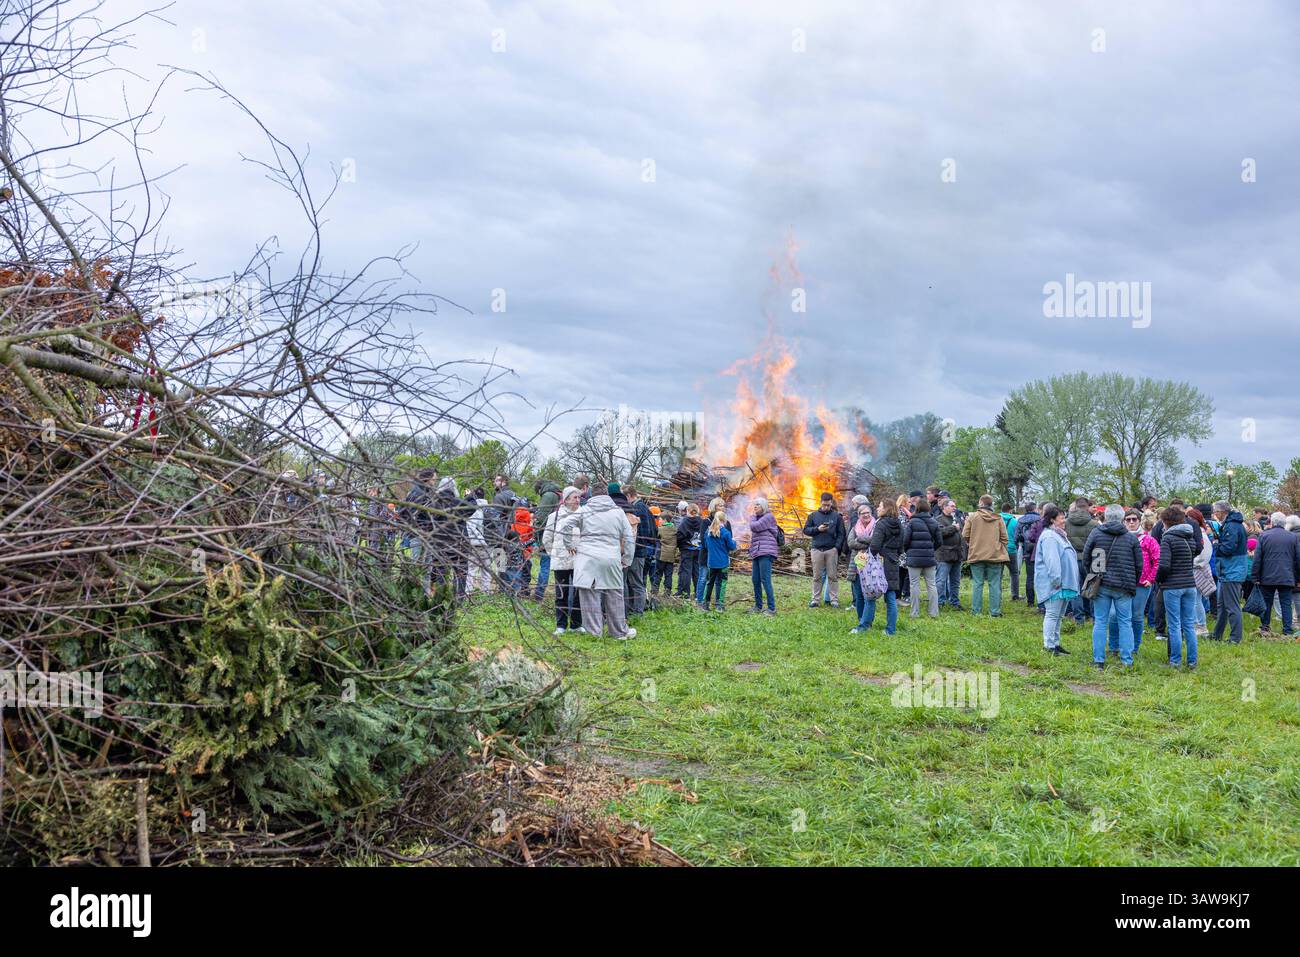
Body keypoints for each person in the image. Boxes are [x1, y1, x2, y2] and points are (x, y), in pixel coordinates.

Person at [566, 488, 637, 640]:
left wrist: (569, 545)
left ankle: (594, 633)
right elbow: (629, 537)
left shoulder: (584, 510)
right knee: (614, 595)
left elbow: (566, 525)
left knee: (589, 595)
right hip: (611, 557)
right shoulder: (618, 512)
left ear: (591, 496)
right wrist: (627, 559)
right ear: (607, 495)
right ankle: (619, 632)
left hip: (587, 558)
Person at [1081, 504, 1142, 669]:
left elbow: (1086, 558)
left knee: (1100, 621)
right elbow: (1139, 565)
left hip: (1101, 583)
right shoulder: (1131, 538)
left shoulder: (1096, 533)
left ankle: (1099, 660)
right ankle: (1127, 660)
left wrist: (1093, 575)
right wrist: (1132, 580)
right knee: (1125, 622)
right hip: (1124, 584)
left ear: (1105, 517)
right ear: (1123, 519)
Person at [1157, 504, 1199, 669]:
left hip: (1173, 586)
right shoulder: (1190, 537)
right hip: (1190, 584)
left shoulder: (1168, 538)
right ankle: (1192, 661)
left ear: (1166, 522)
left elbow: (1164, 565)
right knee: (1188, 624)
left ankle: (1175, 661)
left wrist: (1158, 580)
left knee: (1174, 624)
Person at [1034, 505, 1079, 655]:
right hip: (1055, 585)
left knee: (1059, 616)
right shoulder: (1049, 537)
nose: (1064, 520)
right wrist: (1056, 581)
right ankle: (1048, 646)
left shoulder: (1058, 535)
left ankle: (1056, 644)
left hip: (1062, 584)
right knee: (1052, 615)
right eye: (1061, 517)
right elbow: (1052, 562)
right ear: (1052, 519)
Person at [855, 497, 902, 635]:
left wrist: (867, 556)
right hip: (892, 562)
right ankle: (890, 630)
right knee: (891, 597)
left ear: (886, 508)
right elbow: (901, 545)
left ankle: (864, 626)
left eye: (880, 506)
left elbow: (875, 546)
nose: (877, 508)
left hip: (879, 564)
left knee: (870, 595)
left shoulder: (881, 524)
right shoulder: (898, 524)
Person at [541, 486, 583, 635]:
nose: (577, 500)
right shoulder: (555, 516)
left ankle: (576, 624)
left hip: (579, 560)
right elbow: (547, 537)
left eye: (579, 497)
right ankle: (561, 625)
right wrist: (554, 553)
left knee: (579, 593)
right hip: (561, 560)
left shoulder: (583, 514)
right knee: (561, 593)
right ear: (566, 500)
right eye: (574, 498)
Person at [1252, 511, 1300, 637]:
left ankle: (1265, 627)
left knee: (1267, 602)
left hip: (1267, 576)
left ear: (1271, 522)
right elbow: (1298, 559)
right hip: (1287, 575)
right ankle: (1287, 630)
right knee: (1286, 603)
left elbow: (1258, 558)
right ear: (1284, 523)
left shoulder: (1264, 536)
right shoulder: (1292, 537)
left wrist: (1255, 576)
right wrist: (1298, 577)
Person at [962, 495, 1009, 616]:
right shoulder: (998, 518)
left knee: (977, 583)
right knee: (994, 584)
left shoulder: (973, 517)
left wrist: (973, 543)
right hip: (995, 555)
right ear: (991, 504)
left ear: (981, 503)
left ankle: (976, 611)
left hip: (976, 554)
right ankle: (995, 612)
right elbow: (1005, 538)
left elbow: (965, 534)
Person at [1211, 501, 1247, 644]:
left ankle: (1235, 638)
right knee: (1222, 605)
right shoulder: (1232, 524)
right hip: (1229, 570)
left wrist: (1216, 545)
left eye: (1216, 512)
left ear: (1222, 512)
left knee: (1232, 606)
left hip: (1232, 570)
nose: (1215, 515)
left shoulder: (1231, 526)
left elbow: (1228, 548)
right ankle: (1217, 634)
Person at [803, 492, 846, 608]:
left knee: (832, 576)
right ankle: (815, 600)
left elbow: (842, 534)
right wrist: (817, 529)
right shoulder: (813, 516)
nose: (826, 507)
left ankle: (834, 600)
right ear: (820, 502)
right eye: (824, 505)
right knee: (817, 576)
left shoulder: (837, 517)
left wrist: (836, 548)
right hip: (816, 549)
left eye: (828, 505)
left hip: (831, 550)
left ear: (831, 503)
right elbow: (806, 530)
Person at [902, 498, 941, 618]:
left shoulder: (912, 522)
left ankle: (914, 613)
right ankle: (934, 612)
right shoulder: (934, 522)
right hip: (929, 558)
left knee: (914, 585)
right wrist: (930, 549)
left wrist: (909, 551)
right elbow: (939, 541)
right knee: (932, 585)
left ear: (917, 508)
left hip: (914, 559)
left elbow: (905, 541)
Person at [622, 483, 656, 616]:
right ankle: (632, 608)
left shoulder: (639, 508)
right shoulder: (640, 507)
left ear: (629, 496)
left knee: (637, 582)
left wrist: (634, 548)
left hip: (638, 552)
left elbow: (644, 533)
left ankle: (638, 611)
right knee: (632, 581)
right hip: (636, 551)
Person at [1065, 497, 1099, 622]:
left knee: (1076, 589)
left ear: (1076, 506)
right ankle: (1093, 616)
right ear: (1086, 507)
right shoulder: (1094, 524)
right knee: (1091, 588)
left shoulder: (1066, 523)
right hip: (1089, 559)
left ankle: (1079, 618)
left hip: (1072, 558)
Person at [531, 478, 563, 600]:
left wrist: (537, 537)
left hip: (548, 535)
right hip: (557, 534)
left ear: (539, 489)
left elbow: (541, 518)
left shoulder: (548, 495)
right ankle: (561, 594)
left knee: (545, 565)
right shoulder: (557, 492)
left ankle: (538, 594)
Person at [748, 497, 779, 614]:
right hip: (757, 551)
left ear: (764, 506)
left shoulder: (768, 517)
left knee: (765, 579)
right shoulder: (758, 518)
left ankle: (771, 608)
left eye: (758, 505)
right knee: (755, 580)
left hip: (766, 552)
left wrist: (752, 517)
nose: (755, 507)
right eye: (754, 505)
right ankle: (758, 606)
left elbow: (754, 526)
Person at [702, 507, 737, 611]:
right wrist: (734, 541)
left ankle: (705, 604)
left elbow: (706, 546)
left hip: (711, 563)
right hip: (723, 563)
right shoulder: (726, 533)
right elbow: (732, 547)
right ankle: (719, 605)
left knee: (709, 583)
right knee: (721, 583)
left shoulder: (708, 532)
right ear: (724, 520)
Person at [846, 503, 876, 620]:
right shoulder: (855, 528)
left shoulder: (876, 527)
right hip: (857, 567)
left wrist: (861, 539)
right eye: (863, 513)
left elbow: (875, 542)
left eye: (868, 512)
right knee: (859, 595)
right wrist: (866, 544)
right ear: (858, 515)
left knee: (869, 596)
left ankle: (868, 621)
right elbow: (851, 543)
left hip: (871, 566)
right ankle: (860, 619)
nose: (866, 515)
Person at [464, 488, 494, 595]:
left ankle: (468, 593)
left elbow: (469, 525)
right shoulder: (490, 508)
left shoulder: (472, 508)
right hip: (489, 543)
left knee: (471, 569)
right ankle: (486, 592)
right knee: (486, 570)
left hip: (474, 543)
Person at [935, 499, 964, 609]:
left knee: (955, 581)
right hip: (944, 555)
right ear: (944, 507)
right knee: (941, 580)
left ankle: (955, 602)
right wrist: (954, 527)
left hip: (957, 554)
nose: (954, 508)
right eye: (952, 506)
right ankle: (939, 602)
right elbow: (940, 533)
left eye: (955, 506)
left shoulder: (956, 519)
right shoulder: (938, 519)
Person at [676, 504, 704, 600]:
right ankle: (698, 593)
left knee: (685, 572)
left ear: (688, 511)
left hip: (687, 550)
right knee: (697, 572)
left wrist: (680, 544)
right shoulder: (701, 521)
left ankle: (685, 594)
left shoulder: (685, 522)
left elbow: (679, 535)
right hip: (698, 550)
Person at [1016, 502, 1041, 608]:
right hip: (1039, 549)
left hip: (1027, 550)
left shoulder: (1020, 521)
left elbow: (1017, 537)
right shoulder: (1040, 520)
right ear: (1035, 509)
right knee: (1041, 576)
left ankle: (1030, 601)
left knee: (1029, 577)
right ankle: (1041, 601)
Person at [651, 506, 678, 598]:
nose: (659, 521)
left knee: (658, 574)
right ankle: (667, 592)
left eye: (660, 519)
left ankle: (654, 591)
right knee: (668, 575)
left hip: (661, 555)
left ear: (665, 520)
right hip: (671, 557)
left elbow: (655, 539)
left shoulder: (660, 529)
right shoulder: (675, 530)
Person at [999, 503, 1020, 600]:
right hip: (1011, 549)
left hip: (999, 549)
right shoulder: (1015, 521)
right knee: (1014, 573)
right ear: (1010, 510)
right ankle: (1015, 595)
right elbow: (1017, 536)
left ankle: (997, 595)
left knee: (998, 574)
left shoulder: (996, 519)